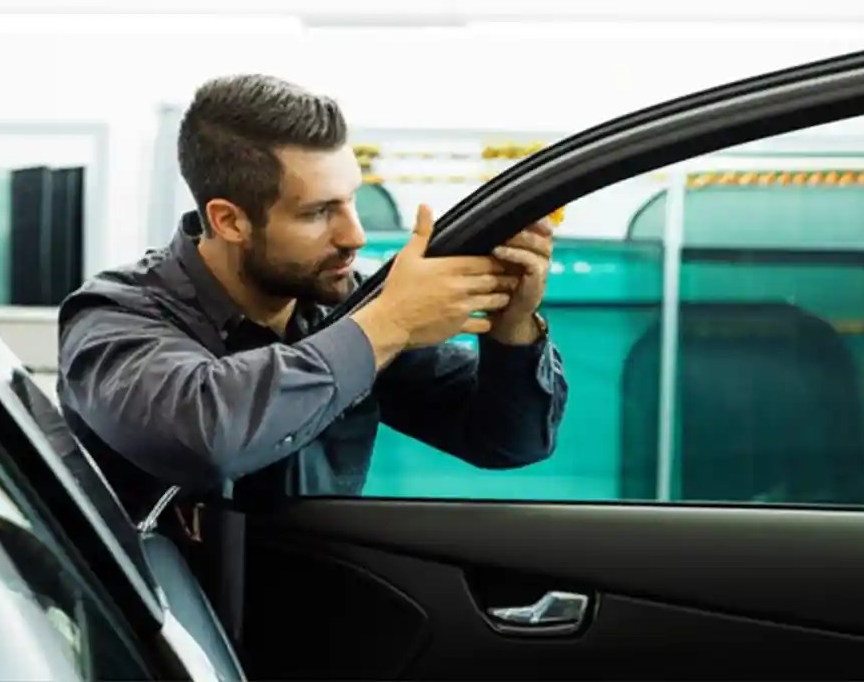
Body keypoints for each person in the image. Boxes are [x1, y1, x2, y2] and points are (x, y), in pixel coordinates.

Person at [56, 74, 568, 524]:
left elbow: (508, 441)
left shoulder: (344, 305)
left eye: (352, 199)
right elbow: (204, 434)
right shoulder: (114, 317)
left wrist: (513, 327)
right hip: (167, 628)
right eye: (319, 212)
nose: (355, 235)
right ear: (229, 220)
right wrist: (387, 326)